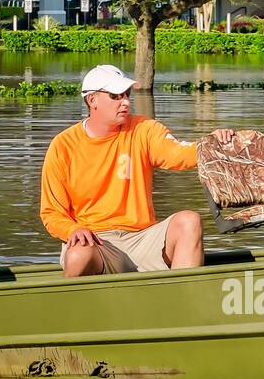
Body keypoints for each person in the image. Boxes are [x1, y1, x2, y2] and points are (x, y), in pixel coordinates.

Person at [39, 64, 234, 277]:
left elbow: (178, 154)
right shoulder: (63, 145)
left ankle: (180, 301)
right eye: (115, 96)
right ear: (92, 100)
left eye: (126, 94)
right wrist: (73, 230)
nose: (125, 102)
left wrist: (212, 144)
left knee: (189, 221)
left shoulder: (144, 129)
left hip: (143, 239)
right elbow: (52, 213)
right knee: (78, 254)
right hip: (96, 242)